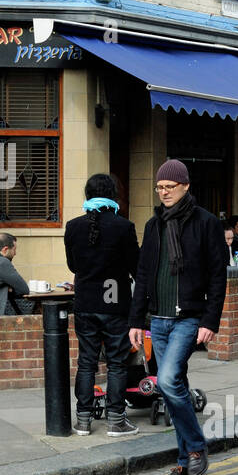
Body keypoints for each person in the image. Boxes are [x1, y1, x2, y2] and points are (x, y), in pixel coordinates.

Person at [128, 159, 226, 475]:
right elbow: (143, 275)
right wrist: (135, 322)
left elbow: (217, 276)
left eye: (170, 187)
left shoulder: (206, 222)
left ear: (185, 186)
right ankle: (185, 462)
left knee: (168, 381)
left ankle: (197, 449)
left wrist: (210, 319)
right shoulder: (153, 226)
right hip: (157, 319)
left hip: (189, 318)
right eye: (159, 188)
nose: (164, 193)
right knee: (174, 388)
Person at [65, 174, 140, 437]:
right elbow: (136, 267)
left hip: (85, 303)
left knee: (86, 362)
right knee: (117, 363)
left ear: (88, 195)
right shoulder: (124, 226)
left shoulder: (73, 226)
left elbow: (73, 266)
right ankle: (116, 420)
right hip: (115, 304)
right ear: (113, 196)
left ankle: (82, 420)